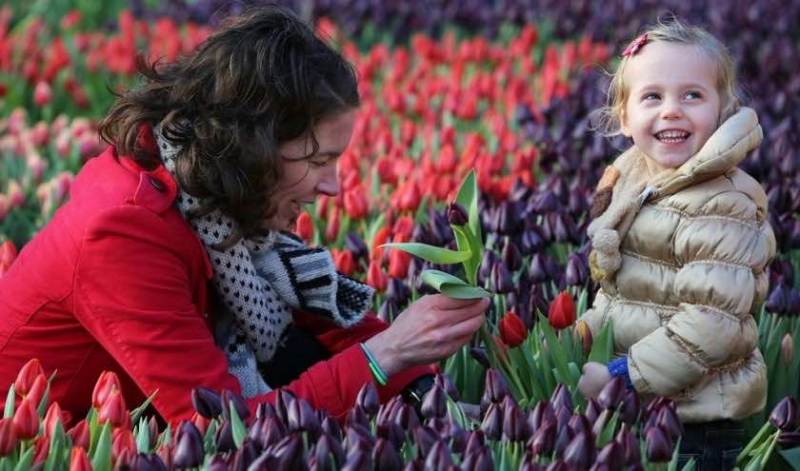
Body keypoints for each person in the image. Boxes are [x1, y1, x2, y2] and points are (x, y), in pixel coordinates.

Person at [0, 6, 488, 424]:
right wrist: (386, 357)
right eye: (318, 161)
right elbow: (217, 424)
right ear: (253, 146)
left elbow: (317, 321)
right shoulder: (124, 232)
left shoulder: (212, 200)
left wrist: (420, 386)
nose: (334, 186)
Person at [576, 19, 775, 470]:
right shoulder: (635, 182)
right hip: (647, 397)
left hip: (699, 419)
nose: (671, 111)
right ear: (624, 118)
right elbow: (628, 292)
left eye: (692, 95)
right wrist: (585, 330)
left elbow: (713, 324)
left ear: (722, 110)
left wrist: (623, 376)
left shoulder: (722, 205)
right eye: (653, 96)